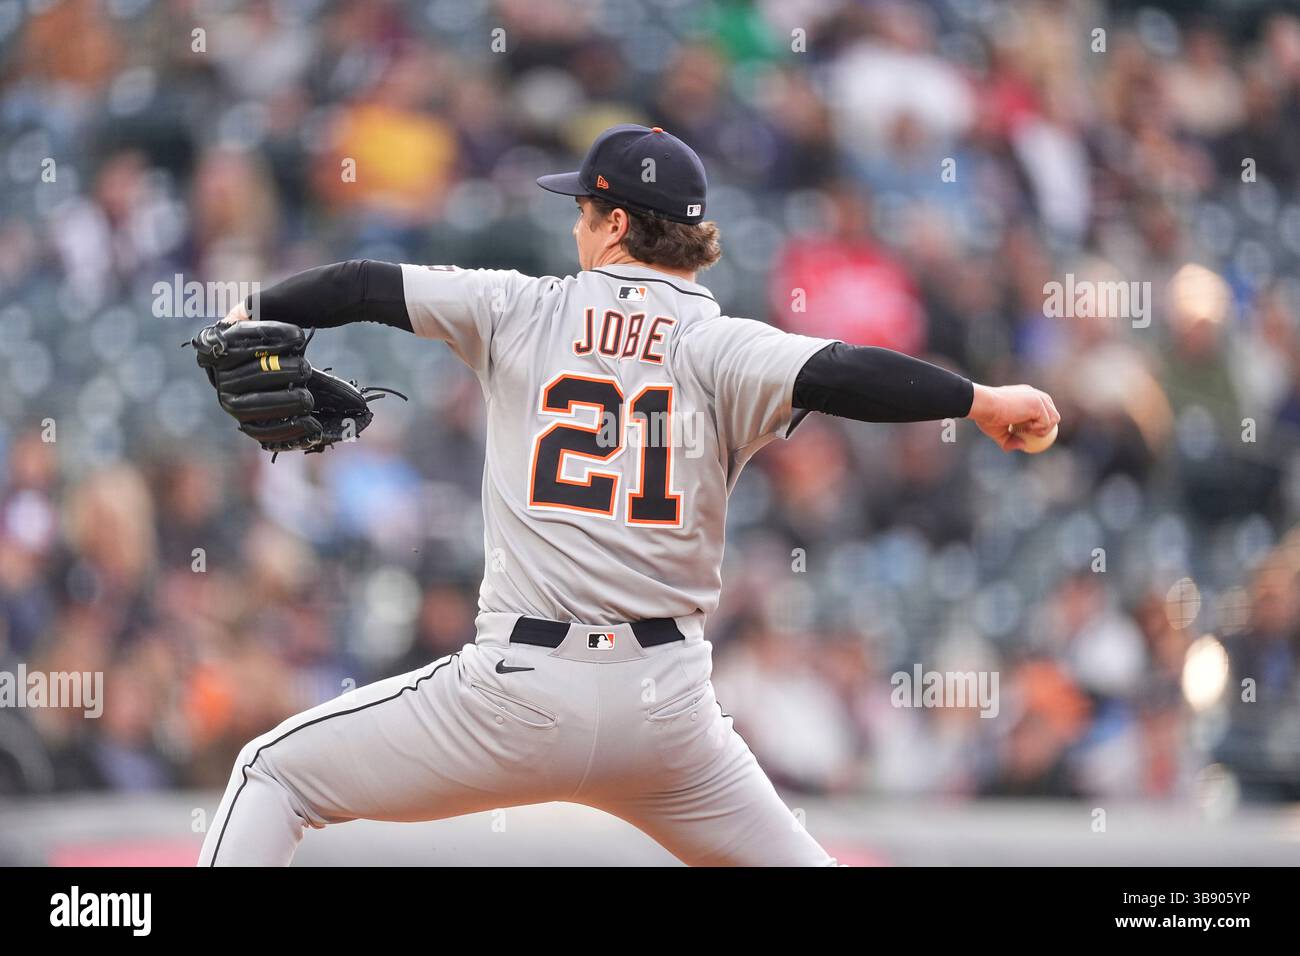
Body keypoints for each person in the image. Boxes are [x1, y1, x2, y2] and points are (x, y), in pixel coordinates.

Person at [198, 124, 1059, 866]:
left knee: (271, 773)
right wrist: (979, 401)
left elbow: (356, 284)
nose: (575, 225)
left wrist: (245, 314)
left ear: (614, 223)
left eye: (582, 210)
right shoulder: (723, 346)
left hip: (516, 695)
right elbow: (847, 374)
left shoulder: (520, 308)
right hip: (668, 714)